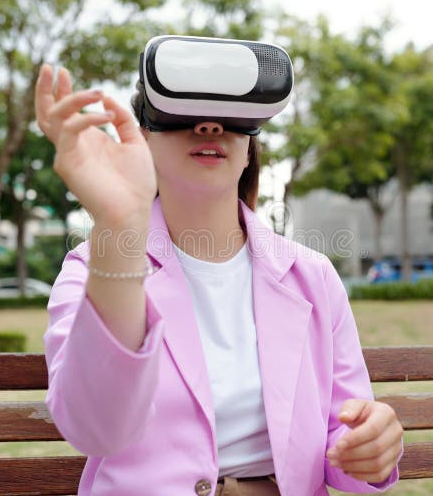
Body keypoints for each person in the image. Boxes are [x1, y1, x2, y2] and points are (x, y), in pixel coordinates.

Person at [36, 35, 403, 496]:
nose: (209, 126)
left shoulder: (313, 277)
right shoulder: (91, 269)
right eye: (183, 113)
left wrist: (370, 447)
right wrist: (118, 228)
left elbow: (344, 440)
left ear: (250, 148)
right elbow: (96, 431)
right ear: (144, 135)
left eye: (231, 117)